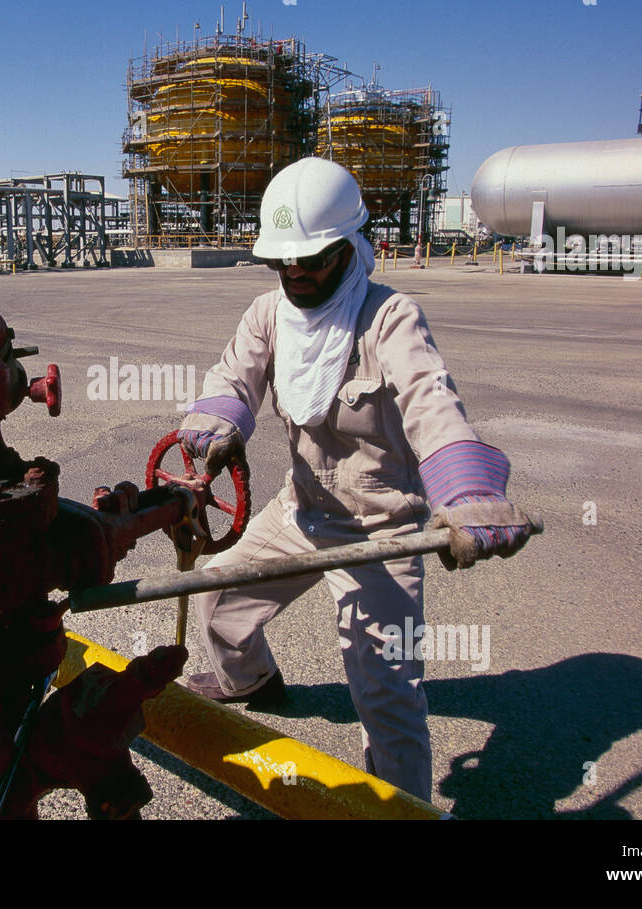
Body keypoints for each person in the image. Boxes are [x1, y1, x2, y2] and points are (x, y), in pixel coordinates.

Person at [176, 157, 534, 801]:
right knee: (217, 601)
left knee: (387, 693)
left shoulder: (388, 317)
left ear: (349, 249)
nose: (296, 274)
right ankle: (251, 684)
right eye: (283, 262)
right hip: (302, 511)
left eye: (311, 260)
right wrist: (217, 418)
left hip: (379, 530)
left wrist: (467, 492)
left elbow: (431, 399)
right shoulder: (268, 314)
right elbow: (234, 375)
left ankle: (402, 810)